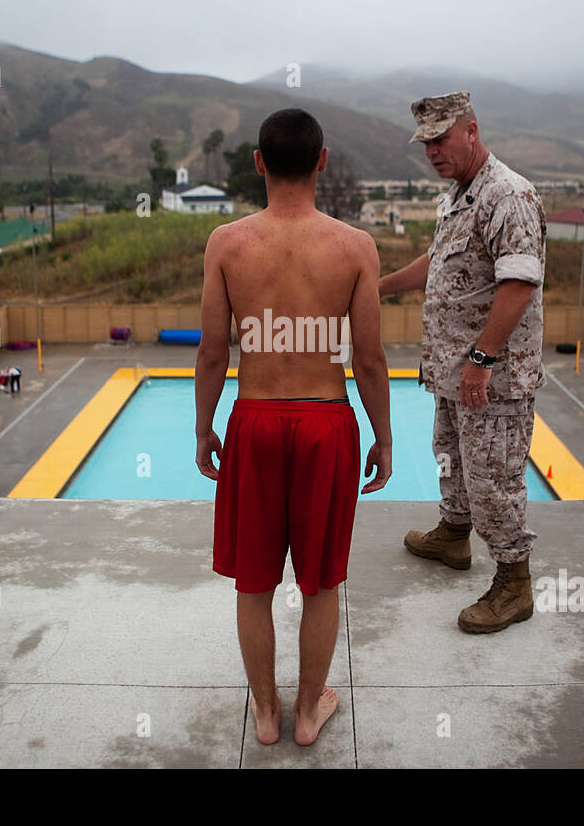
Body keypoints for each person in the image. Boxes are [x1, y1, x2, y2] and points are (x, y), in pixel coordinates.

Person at [195, 108, 391, 747]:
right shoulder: (356, 248)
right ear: (322, 161)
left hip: (254, 422)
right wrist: (384, 438)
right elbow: (368, 358)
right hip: (327, 424)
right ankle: (309, 712)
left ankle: (266, 712)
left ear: (258, 163)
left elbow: (212, 353)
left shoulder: (226, 244)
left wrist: (205, 429)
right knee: (321, 581)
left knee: (254, 582)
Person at [378, 91, 546, 634]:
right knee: (451, 456)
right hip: (455, 374)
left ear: (471, 130)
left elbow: (518, 283)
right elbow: (439, 264)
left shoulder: (508, 195)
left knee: (493, 477)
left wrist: (481, 359)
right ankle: (454, 534)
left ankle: (514, 583)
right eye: (425, 142)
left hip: (490, 378)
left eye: (441, 139)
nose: (432, 150)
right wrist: (380, 288)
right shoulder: (459, 197)